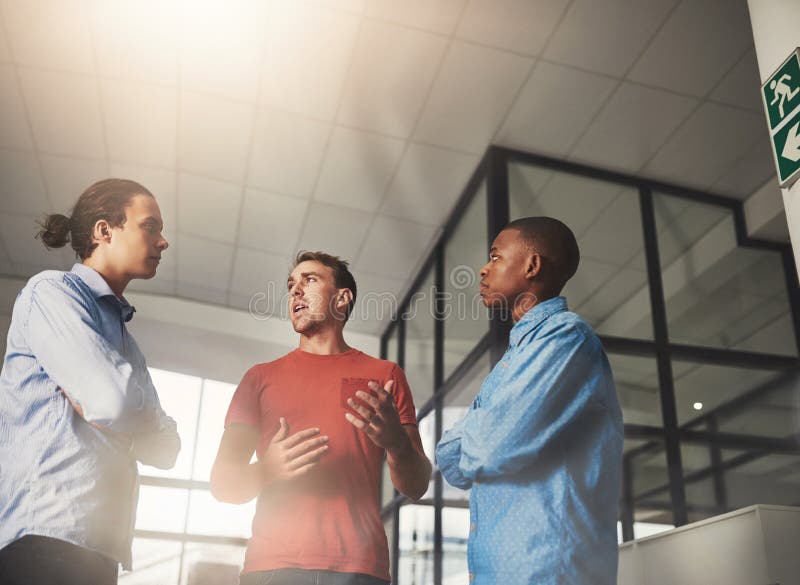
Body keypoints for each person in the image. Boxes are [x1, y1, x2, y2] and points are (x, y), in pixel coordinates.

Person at [211, 251, 431, 585]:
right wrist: (267, 470)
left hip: (360, 568)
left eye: (309, 279)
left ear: (342, 299)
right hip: (272, 568)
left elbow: (416, 486)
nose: (295, 291)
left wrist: (397, 444)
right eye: (291, 285)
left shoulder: (385, 375)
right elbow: (223, 484)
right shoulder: (258, 378)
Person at [0, 179, 181, 585]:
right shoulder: (51, 294)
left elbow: (170, 447)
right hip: (44, 543)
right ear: (104, 230)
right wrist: (131, 415)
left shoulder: (127, 344)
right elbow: (114, 401)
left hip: (99, 555)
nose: (163, 242)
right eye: (150, 226)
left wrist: (122, 427)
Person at [435, 217, 623, 585]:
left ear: (532, 266)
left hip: (550, 573)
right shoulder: (515, 358)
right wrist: (485, 428)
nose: (483, 269)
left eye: (495, 257)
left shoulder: (567, 337)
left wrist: (478, 428)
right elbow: (452, 465)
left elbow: (488, 449)